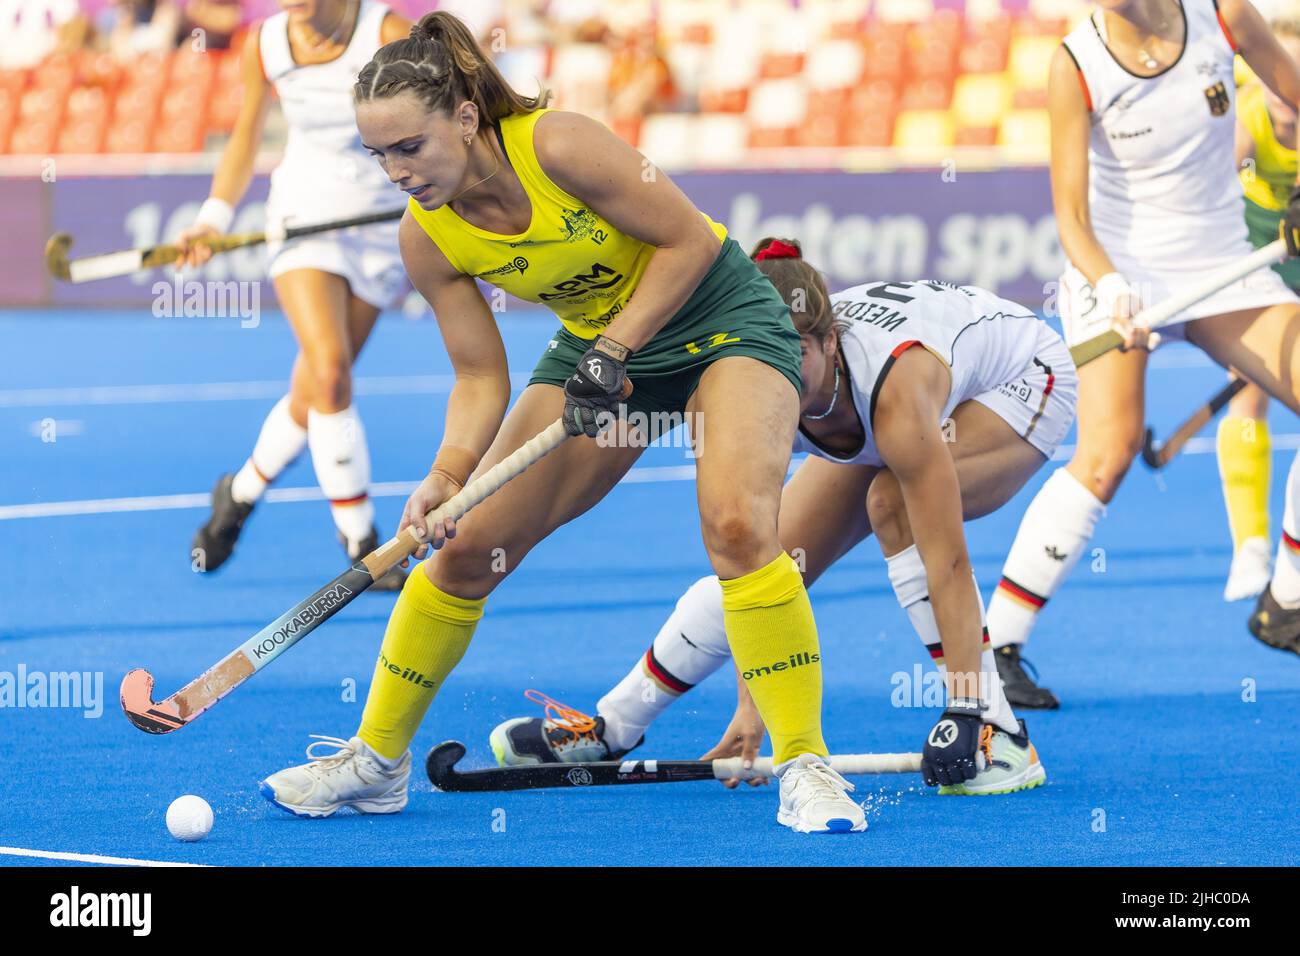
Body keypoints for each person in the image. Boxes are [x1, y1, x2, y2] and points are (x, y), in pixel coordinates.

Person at [259, 11, 865, 834]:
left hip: (725, 324)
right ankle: (376, 763)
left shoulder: (559, 146)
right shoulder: (426, 235)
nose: (396, 171)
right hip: (602, 360)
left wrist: (614, 345)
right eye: (379, 154)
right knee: (468, 544)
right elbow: (478, 374)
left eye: (410, 147)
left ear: (465, 119)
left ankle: (805, 764)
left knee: (735, 525)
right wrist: (447, 474)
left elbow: (687, 242)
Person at [490, 240, 1077, 795]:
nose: (782, 379)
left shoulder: (898, 387)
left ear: (829, 342)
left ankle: (1002, 733)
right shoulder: (757, 381)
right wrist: (756, 707)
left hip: (1020, 378)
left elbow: (946, 560)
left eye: (795, 353)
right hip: (874, 400)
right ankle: (611, 729)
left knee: (891, 500)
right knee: (764, 560)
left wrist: (964, 708)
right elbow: (758, 570)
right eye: (768, 357)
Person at [983, 0, 1300, 708]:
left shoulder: (1223, 15)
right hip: (1118, 270)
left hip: (1222, 262)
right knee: (1108, 452)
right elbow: (1071, 216)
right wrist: (1113, 286)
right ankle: (997, 644)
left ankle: (1287, 598)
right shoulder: (1075, 63)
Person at [177, 0, 411, 588]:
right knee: (331, 372)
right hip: (301, 218)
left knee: (315, 389)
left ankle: (240, 491)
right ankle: (364, 544)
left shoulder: (387, 33)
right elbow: (247, 134)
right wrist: (213, 217)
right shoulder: (265, 44)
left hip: (381, 229)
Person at [1217, 15, 1300, 601]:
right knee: (1248, 387)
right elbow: (1212, 192)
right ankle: (1250, 547)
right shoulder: (1244, 118)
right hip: (1254, 244)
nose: (1279, 87)